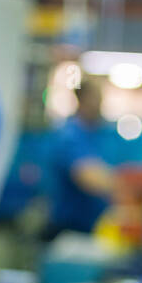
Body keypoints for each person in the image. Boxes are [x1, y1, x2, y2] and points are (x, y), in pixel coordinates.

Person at [46, 82, 117, 241]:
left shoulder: (98, 133)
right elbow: (89, 178)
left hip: (93, 227)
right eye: (96, 98)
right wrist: (126, 186)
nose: (100, 104)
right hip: (68, 229)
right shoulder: (69, 135)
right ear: (82, 99)